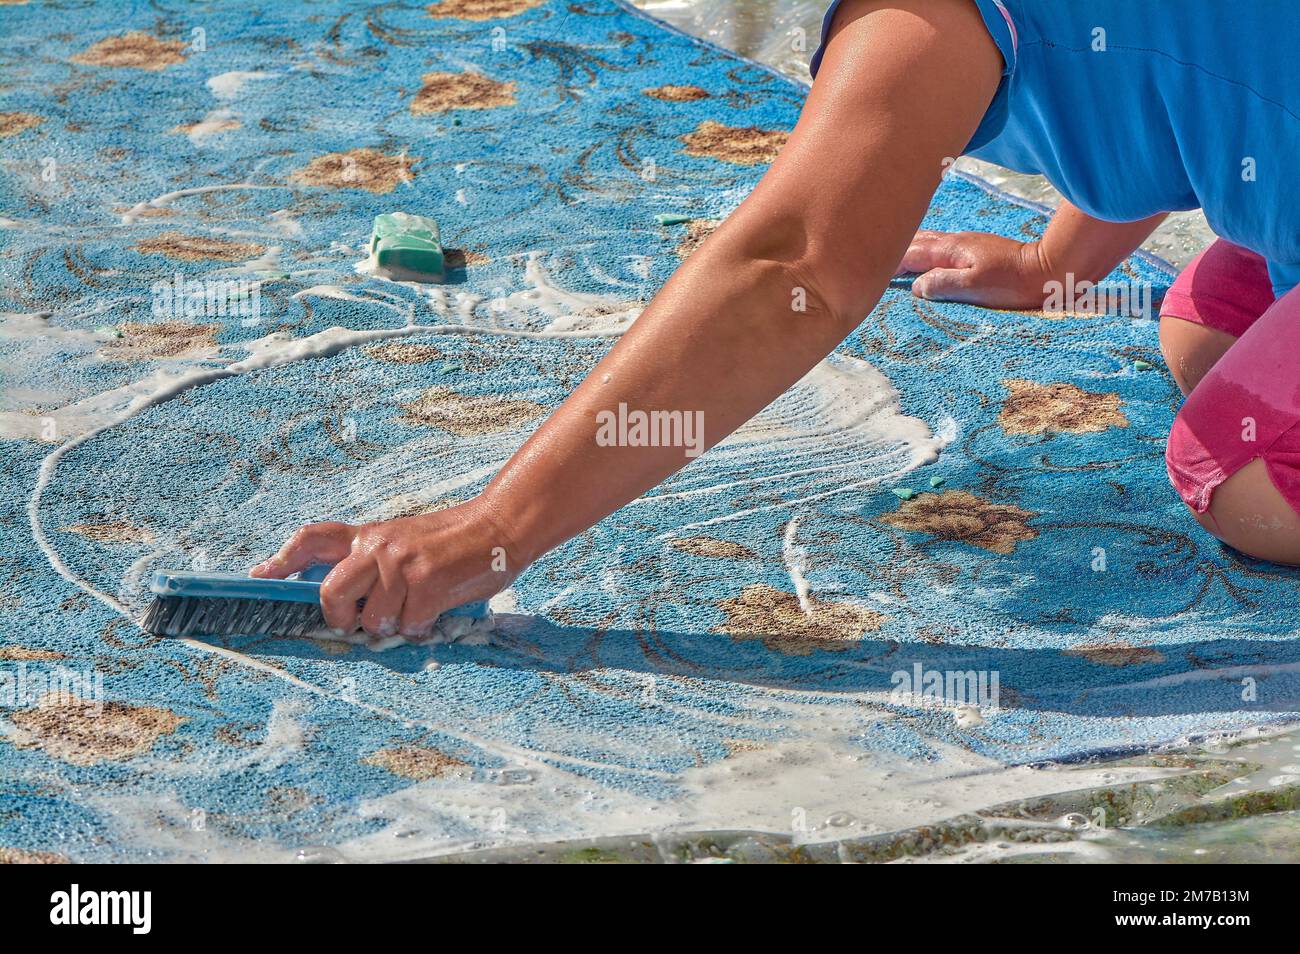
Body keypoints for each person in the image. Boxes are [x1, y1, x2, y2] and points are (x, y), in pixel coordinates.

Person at [253, 0, 1300, 639]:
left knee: (1241, 479)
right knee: (1201, 330)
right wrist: (1053, 262)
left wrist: (493, 531)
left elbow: (789, 270)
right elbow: (1173, 57)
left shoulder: (920, 19)